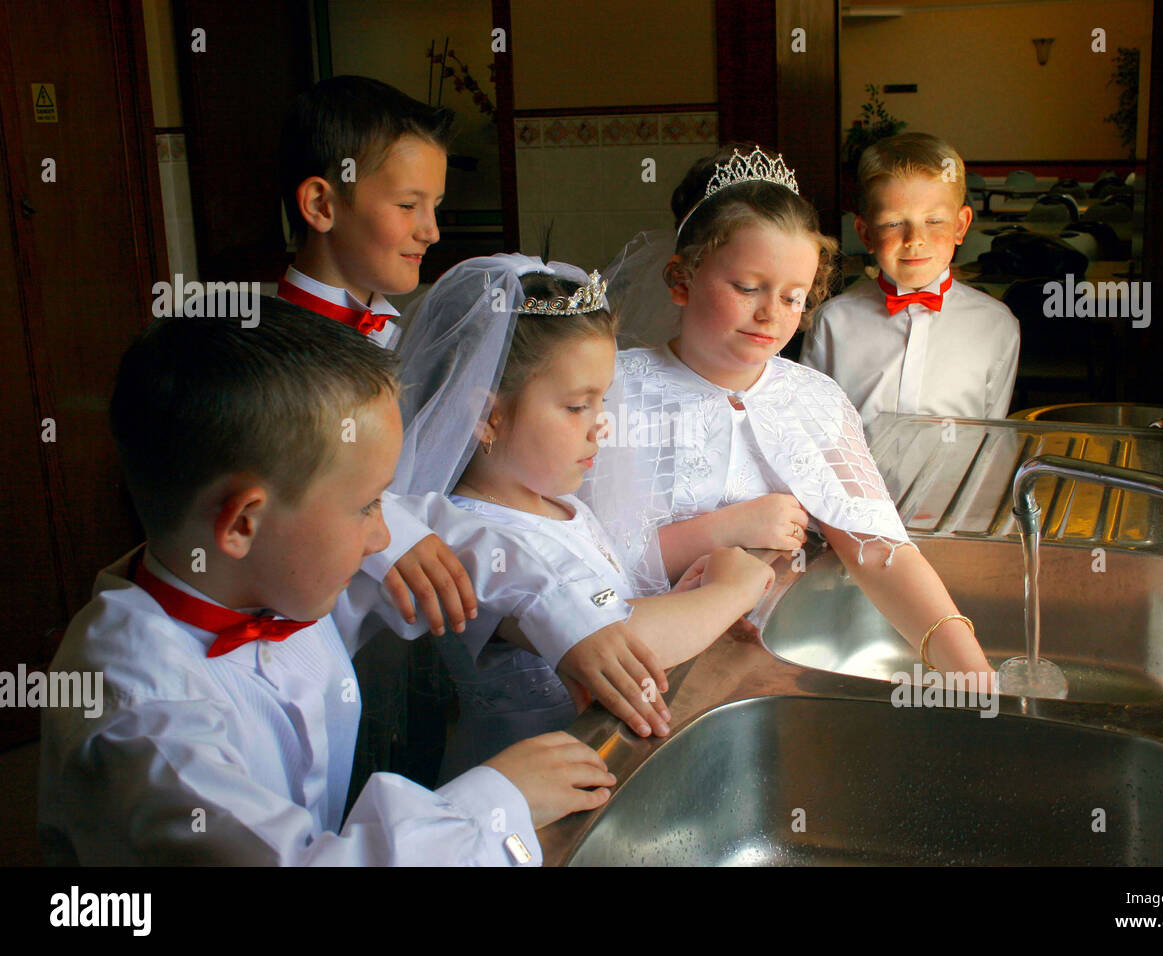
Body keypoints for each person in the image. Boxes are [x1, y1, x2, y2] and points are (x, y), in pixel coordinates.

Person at [38, 298, 616, 865]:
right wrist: (492, 801)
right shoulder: (140, 722)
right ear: (243, 522)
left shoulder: (263, 569)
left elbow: (444, 534)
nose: (384, 536)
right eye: (367, 505)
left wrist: (567, 615)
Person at [579, 145, 994, 679]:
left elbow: (879, 549)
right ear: (681, 280)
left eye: (795, 296)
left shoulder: (815, 401)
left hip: (752, 664)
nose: (771, 314)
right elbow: (585, 563)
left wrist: (971, 671)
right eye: (748, 288)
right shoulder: (612, 390)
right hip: (627, 664)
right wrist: (725, 529)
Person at [386, 255, 774, 779]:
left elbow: (604, 609)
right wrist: (733, 592)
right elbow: (619, 637)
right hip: (524, 807)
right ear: (487, 416)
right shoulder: (466, 538)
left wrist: (682, 597)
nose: (600, 429)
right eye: (576, 407)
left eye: (602, 404)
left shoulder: (564, 507)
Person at [278, 74, 474, 638]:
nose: (432, 230)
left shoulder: (398, 330)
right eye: (408, 204)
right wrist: (400, 532)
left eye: (435, 205)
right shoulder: (278, 363)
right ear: (321, 203)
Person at [800, 132, 1020, 426]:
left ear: (960, 225)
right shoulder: (831, 321)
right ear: (866, 233)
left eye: (934, 221)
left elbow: (991, 435)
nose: (914, 239)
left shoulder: (997, 326)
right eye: (893, 223)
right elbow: (812, 427)